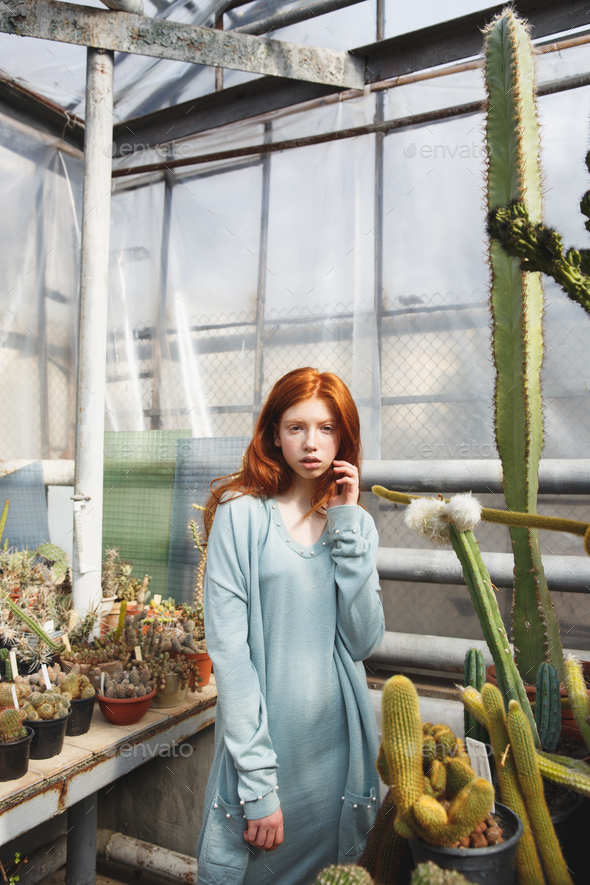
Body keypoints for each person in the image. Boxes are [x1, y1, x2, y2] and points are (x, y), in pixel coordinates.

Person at [196, 367, 385, 885]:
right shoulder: (242, 515)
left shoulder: (356, 525)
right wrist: (257, 786)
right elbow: (230, 656)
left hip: (337, 758)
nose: (311, 443)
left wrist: (347, 526)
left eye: (326, 428)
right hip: (266, 755)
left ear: (344, 436)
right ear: (274, 435)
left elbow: (363, 640)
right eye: (296, 427)